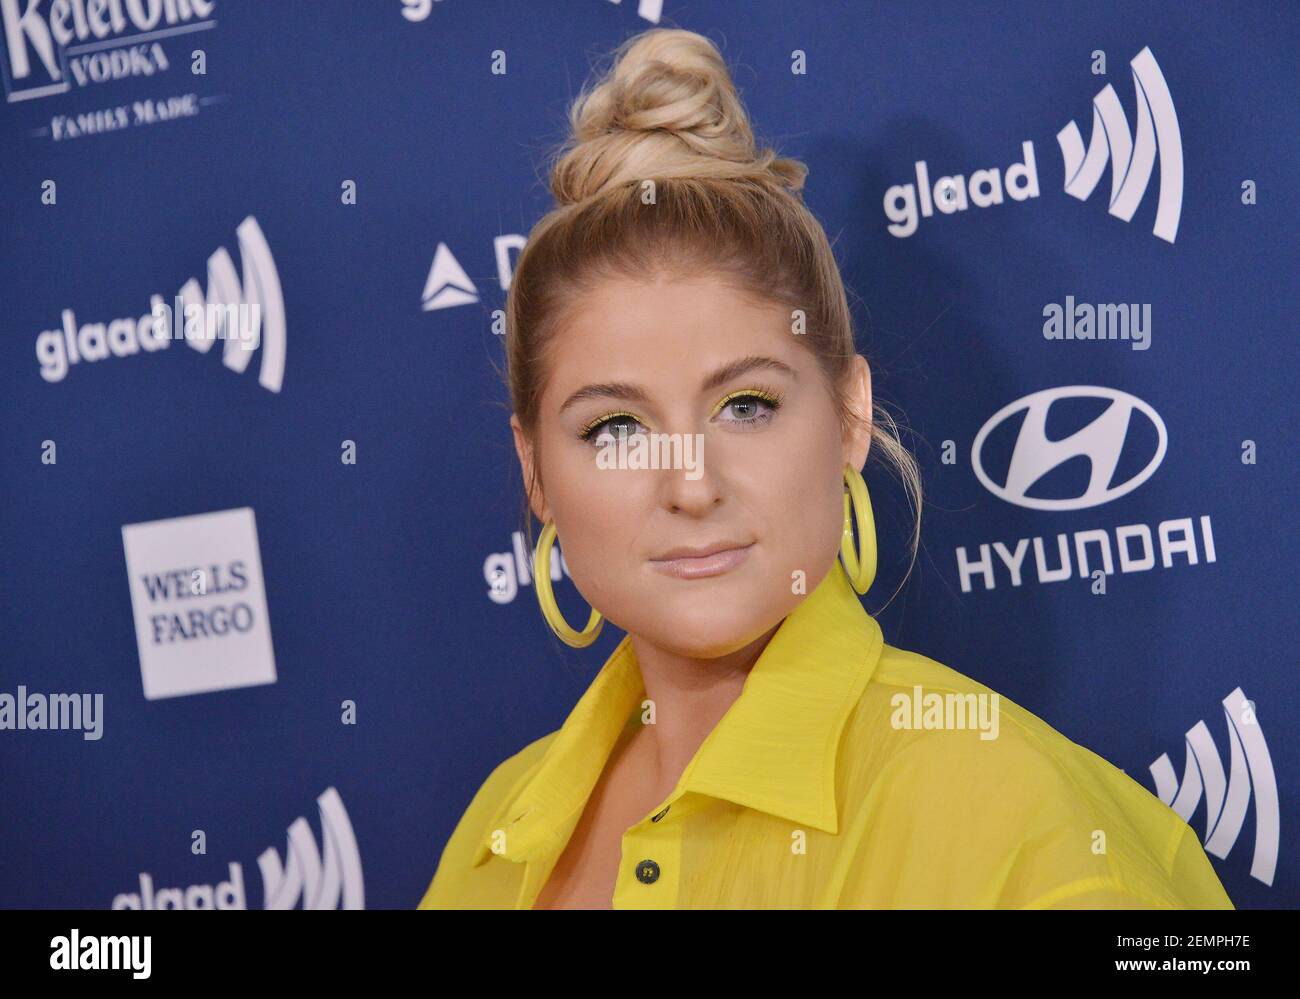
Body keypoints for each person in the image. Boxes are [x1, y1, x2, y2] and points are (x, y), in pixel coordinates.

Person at [418, 27, 1233, 910]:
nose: (692, 485)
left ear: (849, 416)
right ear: (533, 469)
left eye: (747, 406)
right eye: (616, 427)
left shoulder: (1024, 827)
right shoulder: (494, 830)